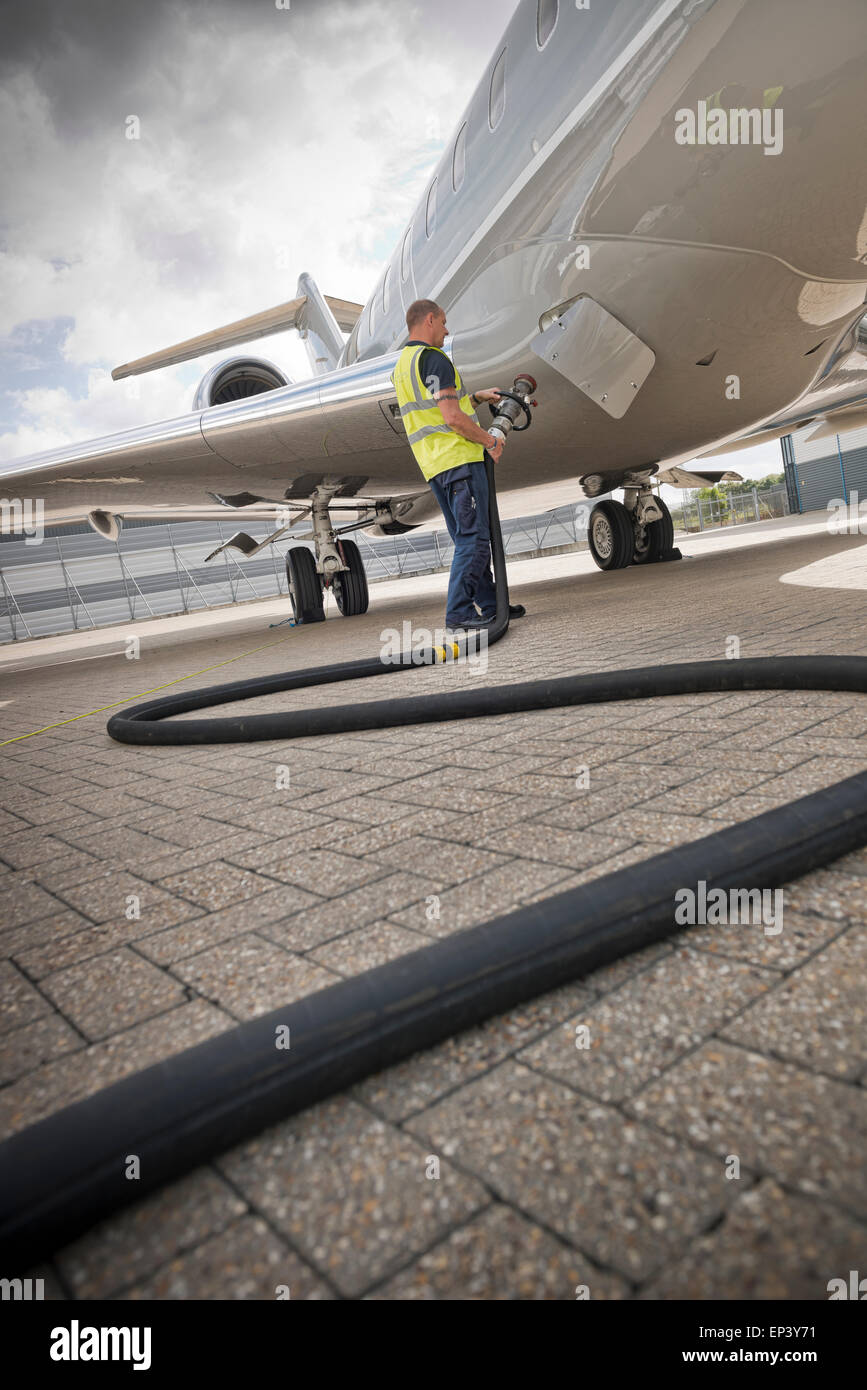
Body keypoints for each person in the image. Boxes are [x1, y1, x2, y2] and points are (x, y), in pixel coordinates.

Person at [390, 298, 525, 632]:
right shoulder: (435, 359)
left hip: (436, 465)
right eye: (445, 322)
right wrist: (490, 441)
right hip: (460, 460)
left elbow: (439, 407)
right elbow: (451, 418)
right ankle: (459, 614)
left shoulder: (404, 364)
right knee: (476, 540)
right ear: (430, 320)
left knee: (469, 537)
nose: (447, 331)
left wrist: (476, 398)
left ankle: (493, 605)